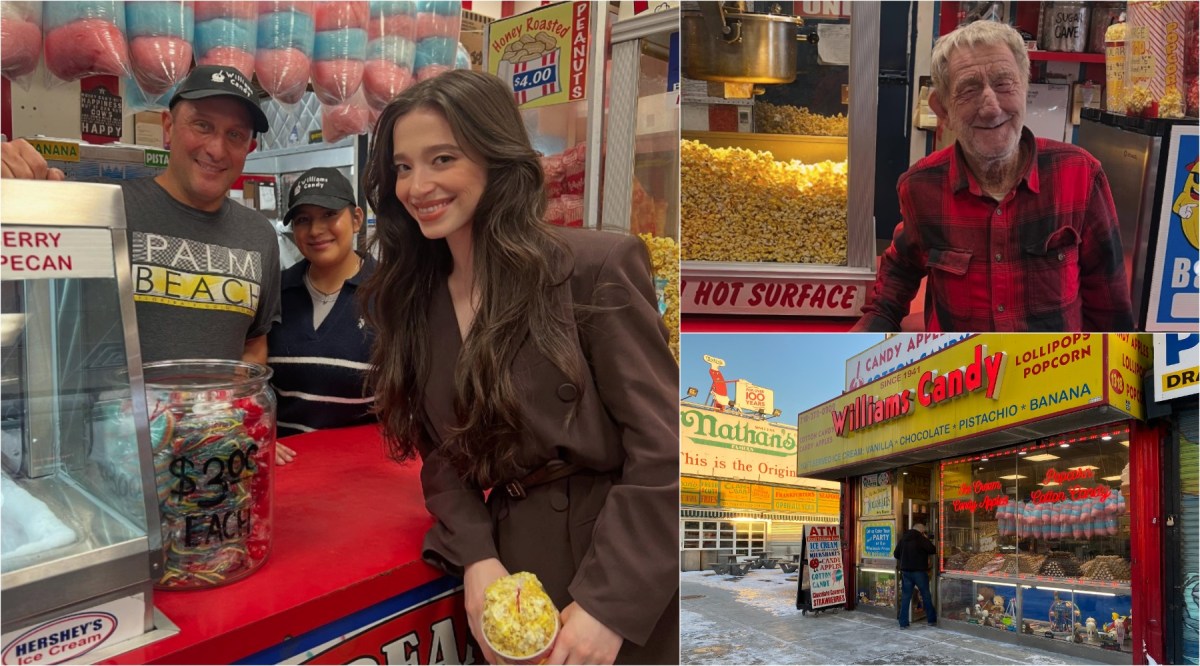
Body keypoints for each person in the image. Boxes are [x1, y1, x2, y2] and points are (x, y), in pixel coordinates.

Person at [360, 69, 679, 665]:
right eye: (403, 166)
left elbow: (667, 451)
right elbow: (441, 455)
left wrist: (609, 605)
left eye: (442, 158)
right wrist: (478, 556)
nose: (417, 185)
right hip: (513, 571)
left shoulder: (592, 267)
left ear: (495, 158)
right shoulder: (417, 299)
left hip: (613, 556)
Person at [853, 20, 1133, 332]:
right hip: (958, 375)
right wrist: (862, 341)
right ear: (943, 109)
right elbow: (901, 270)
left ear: (1025, 90)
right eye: (969, 89)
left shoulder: (1080, 175)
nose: (990, 107)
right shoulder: (920, 187)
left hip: (1054, 375)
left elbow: (1110, 309)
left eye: (1004, 84)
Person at [1, 65, 282, 364]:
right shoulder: (99, 208)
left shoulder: (259, 235)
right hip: (112, 411)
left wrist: (240, 405)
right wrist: (12, 180)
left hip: (218, 413)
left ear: (249, 147)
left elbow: (254, 342)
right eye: (202, 125)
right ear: (169, 127)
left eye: (235, 134)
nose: (216, 149)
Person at [267, 167, 376, 463]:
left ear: (355, 219)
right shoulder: (275, 292)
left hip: (365, 472)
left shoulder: (391, 292)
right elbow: (255, 379)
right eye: (303, 219)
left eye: (328, 214)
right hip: (289, 470)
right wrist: (260, 435)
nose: (315, 230)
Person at [894, 522, 938, 629]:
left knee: (906, 597)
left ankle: (903, 623)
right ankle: (931, 619)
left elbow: (896, 554)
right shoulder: (921, 539)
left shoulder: (903, 538)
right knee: (926, 595)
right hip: (919, 572)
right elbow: (933, 549)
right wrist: (925, 539)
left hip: (906, 572)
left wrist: (905, 559)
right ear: (921, 531)